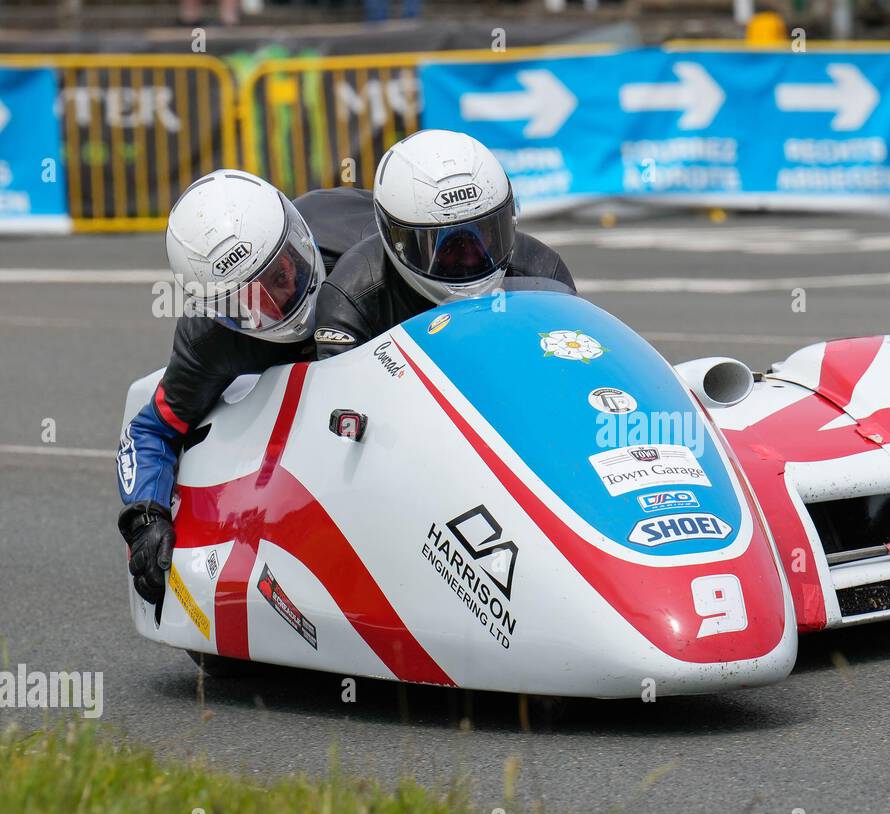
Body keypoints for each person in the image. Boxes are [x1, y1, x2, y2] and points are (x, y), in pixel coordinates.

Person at [118, 170, 376, 606]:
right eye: (248, 302)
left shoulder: (353, 223)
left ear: (298, 238)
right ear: (216, 310)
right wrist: (146, 518)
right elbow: (151, 431)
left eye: (280, 274)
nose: (280, 303)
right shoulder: (207, 342)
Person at [312, 129, 575, 358]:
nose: (471, 258)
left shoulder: (544, 272)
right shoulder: (353, 296)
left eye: (485, 235)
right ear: (397, 241)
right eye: (448, 246)